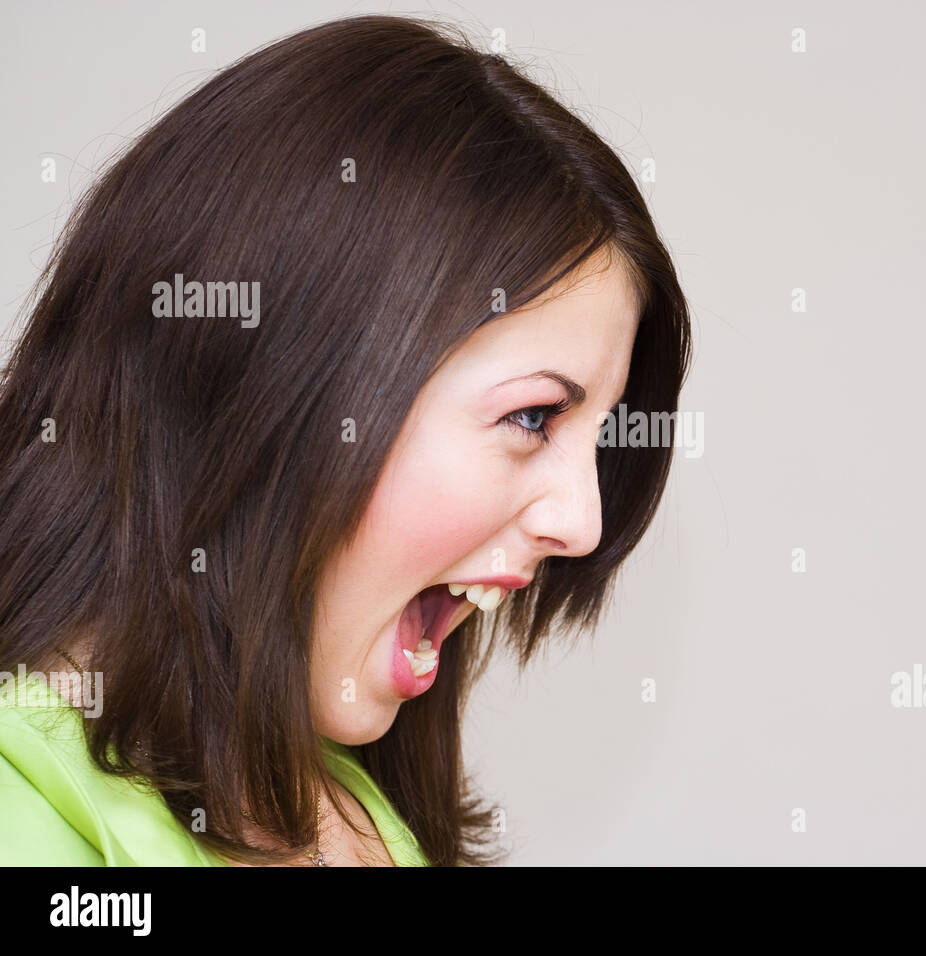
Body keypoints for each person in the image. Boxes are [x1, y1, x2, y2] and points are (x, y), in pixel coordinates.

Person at [0, 14, 691, 866]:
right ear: (274, 383)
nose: (583, 524)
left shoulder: (348, 806)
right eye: (534, 417)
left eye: (601, 437)